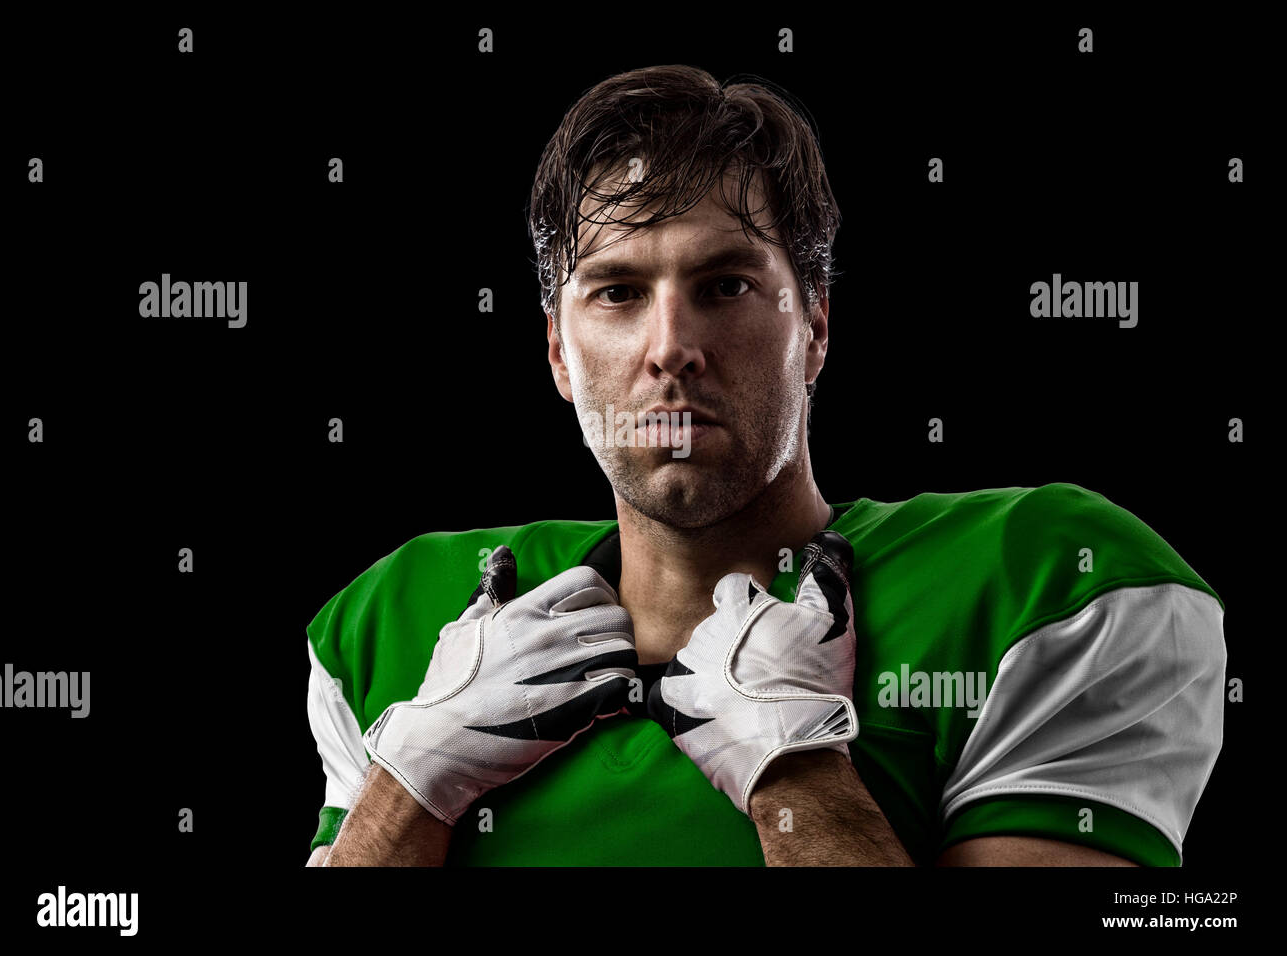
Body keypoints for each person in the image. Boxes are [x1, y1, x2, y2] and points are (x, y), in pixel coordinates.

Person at [305, 65, 1225, 866]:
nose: (672, 347)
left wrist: (798, 766)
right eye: (618, 292)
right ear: (557, 351)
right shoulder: (402, 618)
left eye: (727, 286)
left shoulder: (1045, 581)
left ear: (815, 323)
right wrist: (408, 779)